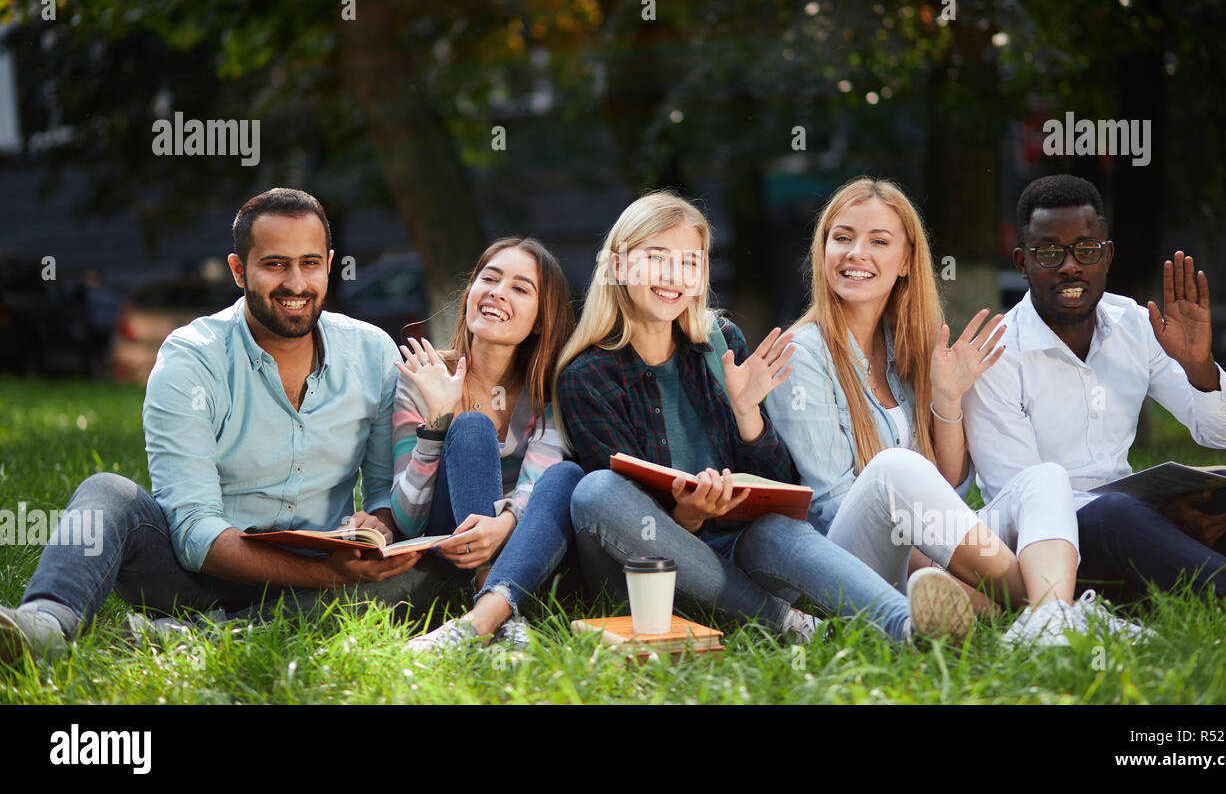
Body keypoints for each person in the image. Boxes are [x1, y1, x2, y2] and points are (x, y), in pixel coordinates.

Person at [0, 188, 456, 664]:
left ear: (330, 264)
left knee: (432, 575)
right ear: (239, 270)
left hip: (326, 565)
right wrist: (332, 577)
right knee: (109, 494)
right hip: (197, 578)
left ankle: (199, 637)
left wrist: (376, 528)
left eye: (310, 263)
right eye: (275, 264)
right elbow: (196, 532)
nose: (296, 283)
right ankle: (44, 623)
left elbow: (384, 492)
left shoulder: (371, 352)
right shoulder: (191, 359)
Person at [557, 191, 975, 645]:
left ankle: (909, 627)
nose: (672, 277)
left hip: (735, 559)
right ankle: (786, 623)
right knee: (594, 491)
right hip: (649, 579)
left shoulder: (722, 343)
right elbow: (629, 520)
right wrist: (690, 515)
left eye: (689, 263)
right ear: (618, 267)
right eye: (657, 259)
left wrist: (746, 413)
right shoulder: (587, 376)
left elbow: (779, 488)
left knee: (775, 529)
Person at [766, 177, 1141, 646]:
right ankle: (1058, 607)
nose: (856, 252)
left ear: (905, 261)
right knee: (893, 469)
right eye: (842, 237)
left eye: (878, 241)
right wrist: (950, 562)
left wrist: (946, 400)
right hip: (846, 564)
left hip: (923, 549)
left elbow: (945, 489)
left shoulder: (904, 350)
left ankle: (1047, 621)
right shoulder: (802, 354)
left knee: (1045, 478)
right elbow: (831, 507)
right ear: (823, 251)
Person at [963, 173, 1226, 606]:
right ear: (1022, 262)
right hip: (1057, 550)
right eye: (1049, 251)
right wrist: (1156, 519)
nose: (1070, 265)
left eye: (1086, 249)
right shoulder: (995, 355)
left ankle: (1188, 557)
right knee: (1115, 516)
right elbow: (1024, 497)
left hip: (1140, 527)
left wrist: (1199, 366)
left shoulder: (1136, 326)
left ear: (1107, 256)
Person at [391, 237, 583, 651]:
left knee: (567, 475)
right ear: (470, 294)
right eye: (489, 278)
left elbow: (538, 484)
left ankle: (482, 617)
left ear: (540, 319)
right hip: (446, 547)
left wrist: (506, 524)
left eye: (520, 287)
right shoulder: (422, 376)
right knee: (473, 428)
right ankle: (497, 614)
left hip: (521, 547)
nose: (497, 291)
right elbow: (405, 521)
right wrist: (440, 422)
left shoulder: (552, 391)